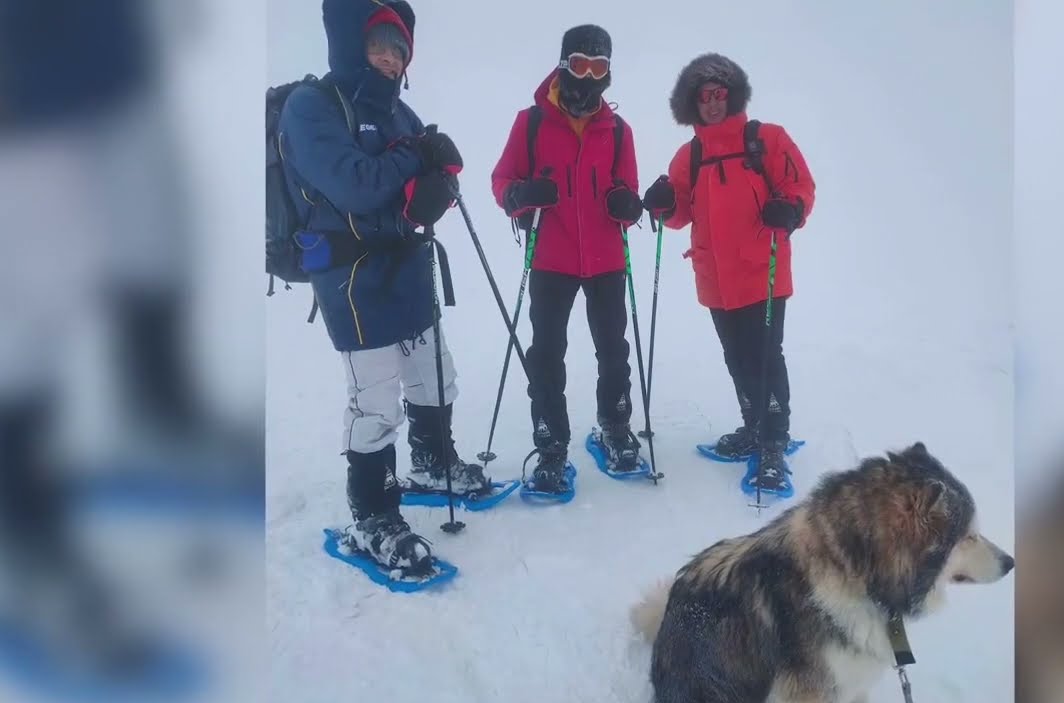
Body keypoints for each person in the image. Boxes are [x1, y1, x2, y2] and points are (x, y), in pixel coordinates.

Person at [277, 0, 490, 576]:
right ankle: (372, 512)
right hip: (351, 274)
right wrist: (415, 159)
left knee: (434, 374)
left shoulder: (402, 115)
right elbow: (354, 184)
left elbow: (417, 187)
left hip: (406, 263)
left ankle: (433, 461)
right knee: (374, 397)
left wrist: (438, 185)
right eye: (379, 45)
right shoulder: (311, 107)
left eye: (400, 49)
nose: (391, 59)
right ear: (350, 43)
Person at [642, 53, 816, 489]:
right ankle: (753, 428)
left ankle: (774, 442)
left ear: (733, 95)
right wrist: (662, 203)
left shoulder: (767, 139)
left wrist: (790, 209)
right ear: (693, 104)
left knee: (765, 357)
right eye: (705, 97)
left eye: (720, 95)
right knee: (736, 358)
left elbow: (801, 187)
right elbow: (679, 212)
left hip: (763, 271)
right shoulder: (690, 155)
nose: (713, 104)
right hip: (716, 277)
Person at [490, 24, 645, 493]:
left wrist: (627, 204)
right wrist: (522, 194)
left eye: (599, 67)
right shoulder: (532, 122)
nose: (589, 76)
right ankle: (551, 443)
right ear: (564, 65)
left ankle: (615, 427)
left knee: (614, 350)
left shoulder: (618, 130)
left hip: (605, 258)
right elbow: (502, 182)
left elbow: (628, 188)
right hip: (551, 257)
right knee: (546, 354)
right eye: (580, 65)